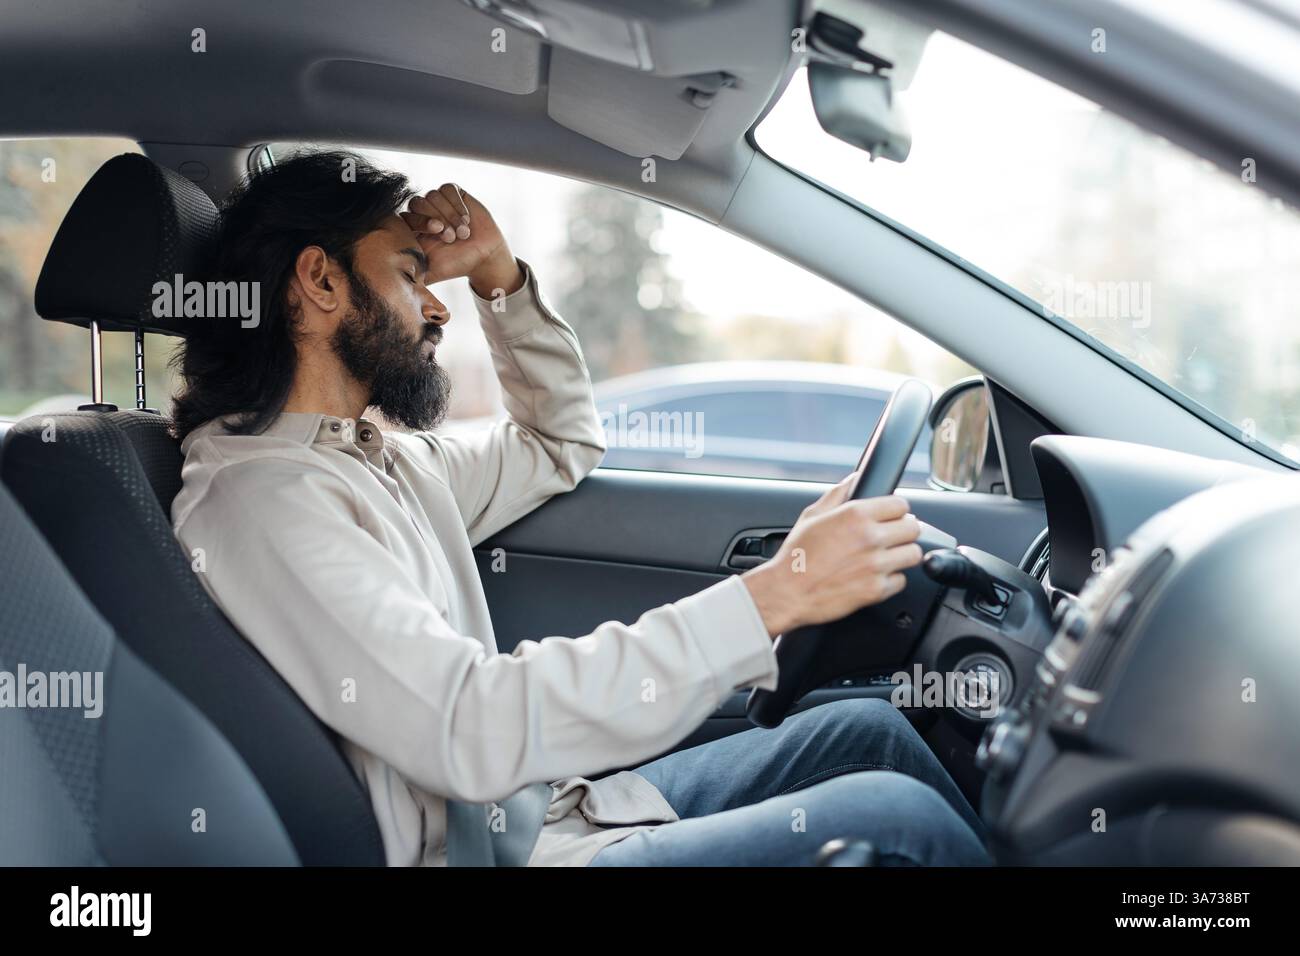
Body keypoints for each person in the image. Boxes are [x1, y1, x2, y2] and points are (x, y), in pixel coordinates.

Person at [169, 148, 988, 867]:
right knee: (897, 821)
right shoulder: (261, 499)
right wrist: (773, 599)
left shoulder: (375, 461)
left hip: (539, 820)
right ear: (319, 280)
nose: (438, 306)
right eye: (411, 274)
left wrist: (500, 278)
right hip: (486, 855)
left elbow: (558, 441)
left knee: (871, 734)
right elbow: (466, 724)